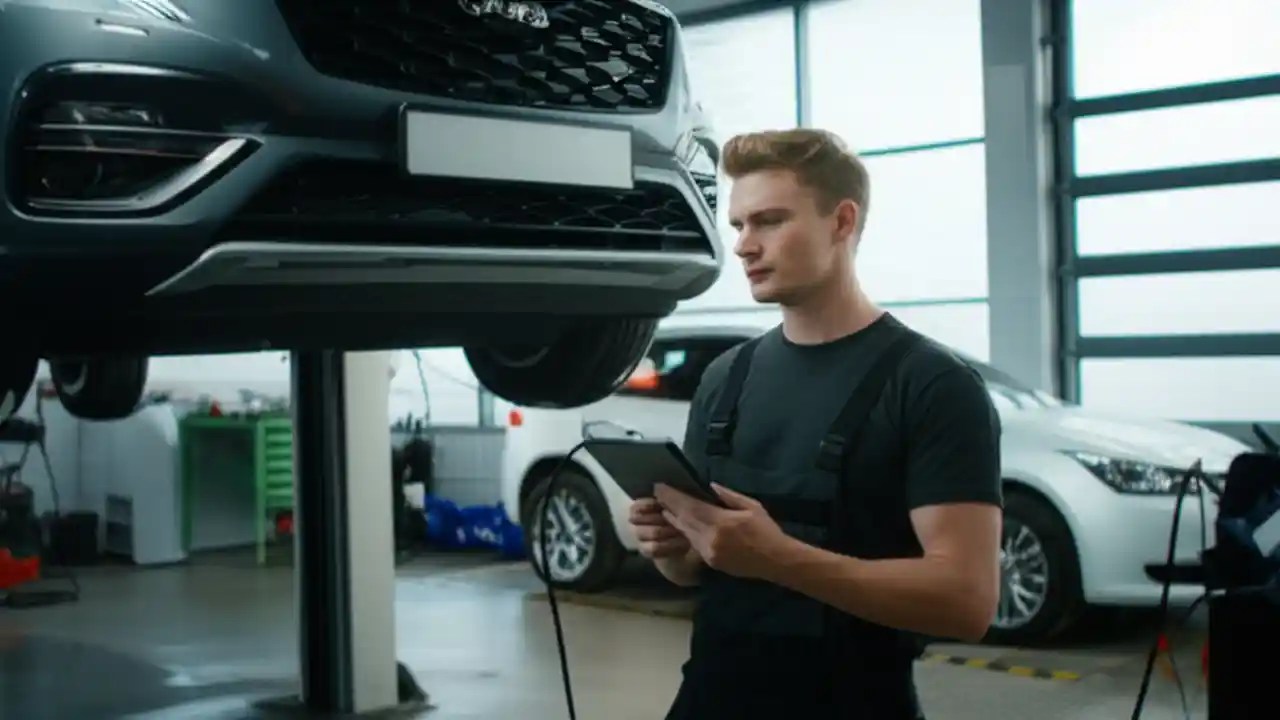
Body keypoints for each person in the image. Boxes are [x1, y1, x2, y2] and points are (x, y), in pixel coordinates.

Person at [628, 128, 1003, 719]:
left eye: (770, 221)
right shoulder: (725, 378)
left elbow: (967, 602)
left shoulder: (933, 386)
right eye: (739, 225)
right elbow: (691, 572)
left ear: (842, 221)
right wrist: (671, 547)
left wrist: (779, 557)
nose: (745, 246)